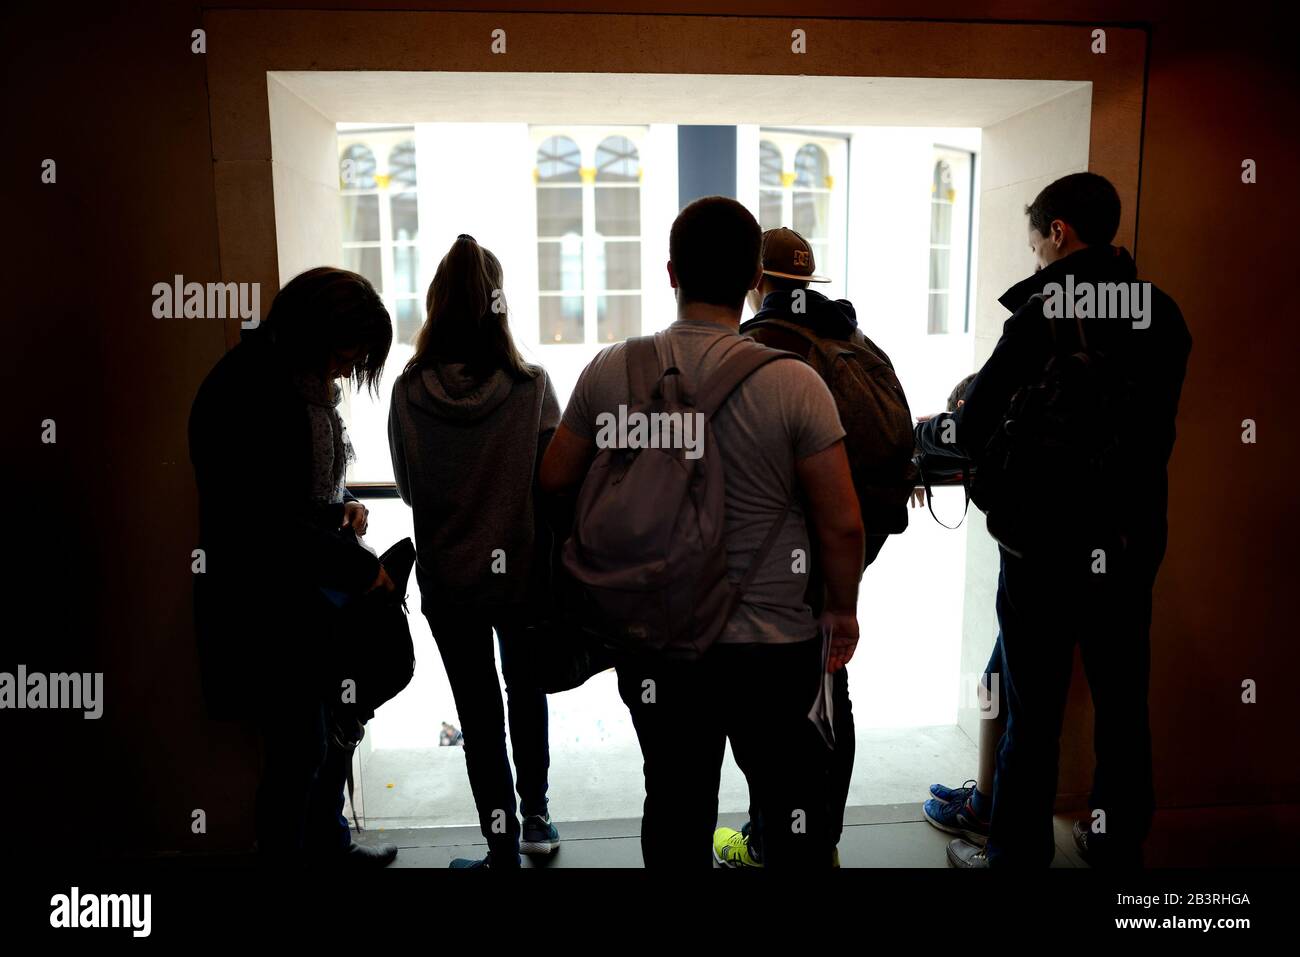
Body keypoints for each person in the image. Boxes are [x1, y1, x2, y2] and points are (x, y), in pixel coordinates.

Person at [540, 197, 865, 868]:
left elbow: (554, 478)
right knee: (789, 804)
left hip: (658, 640)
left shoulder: (611, 369)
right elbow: (841, 520)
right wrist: (840, 608)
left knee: (675, 799)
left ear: (669, 273)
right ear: (754, 279)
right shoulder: (794, 383)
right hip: (774, 646)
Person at [915, 173, 1191, 868]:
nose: (1036, 254)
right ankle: (1113, 838)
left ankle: (1014, 857)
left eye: (1036, 240)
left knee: (1032, 719)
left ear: (1059, 232)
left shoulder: (1044, 310)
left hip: (1042, 547)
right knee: (1123, 701)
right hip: (1130, 540)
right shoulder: (1163, 312)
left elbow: (973, 424)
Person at [189, 266, 399, 867]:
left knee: (322, 738)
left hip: (298, 596)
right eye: (343, 355)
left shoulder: (289, 381)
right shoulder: (252, 394)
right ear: (312, 333)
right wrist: (360, 571)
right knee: (297, 752)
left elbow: (294, 502)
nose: (346, 370)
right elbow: (267, 523)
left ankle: (329, 845)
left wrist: (341, 512)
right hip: (268, 603)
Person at [713, 226, 904, 868]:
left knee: (773, 716)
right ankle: (820, 842)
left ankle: (778, 842)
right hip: (845, 552)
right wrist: (844, 599)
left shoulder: (754, 348)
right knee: (828, 691)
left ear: (756, 283)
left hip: (783, 561)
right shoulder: (852, 337)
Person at [388, 235, 560, 869]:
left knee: (478, 711)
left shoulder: (409, 392)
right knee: (526, 690)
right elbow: (555, 480)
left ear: (435, 306)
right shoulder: (531, 385)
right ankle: (538, 817)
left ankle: (499, 847)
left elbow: (407, 487)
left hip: (448, 579)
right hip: (520, 574)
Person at [920, 373, 1004, 846]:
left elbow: (962, 436)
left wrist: (932, 437)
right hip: (1098, 563)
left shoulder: (988, 427)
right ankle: (987, 796)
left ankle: (986, 810)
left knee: (998, 689)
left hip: (1042, 568)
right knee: (996, 686)